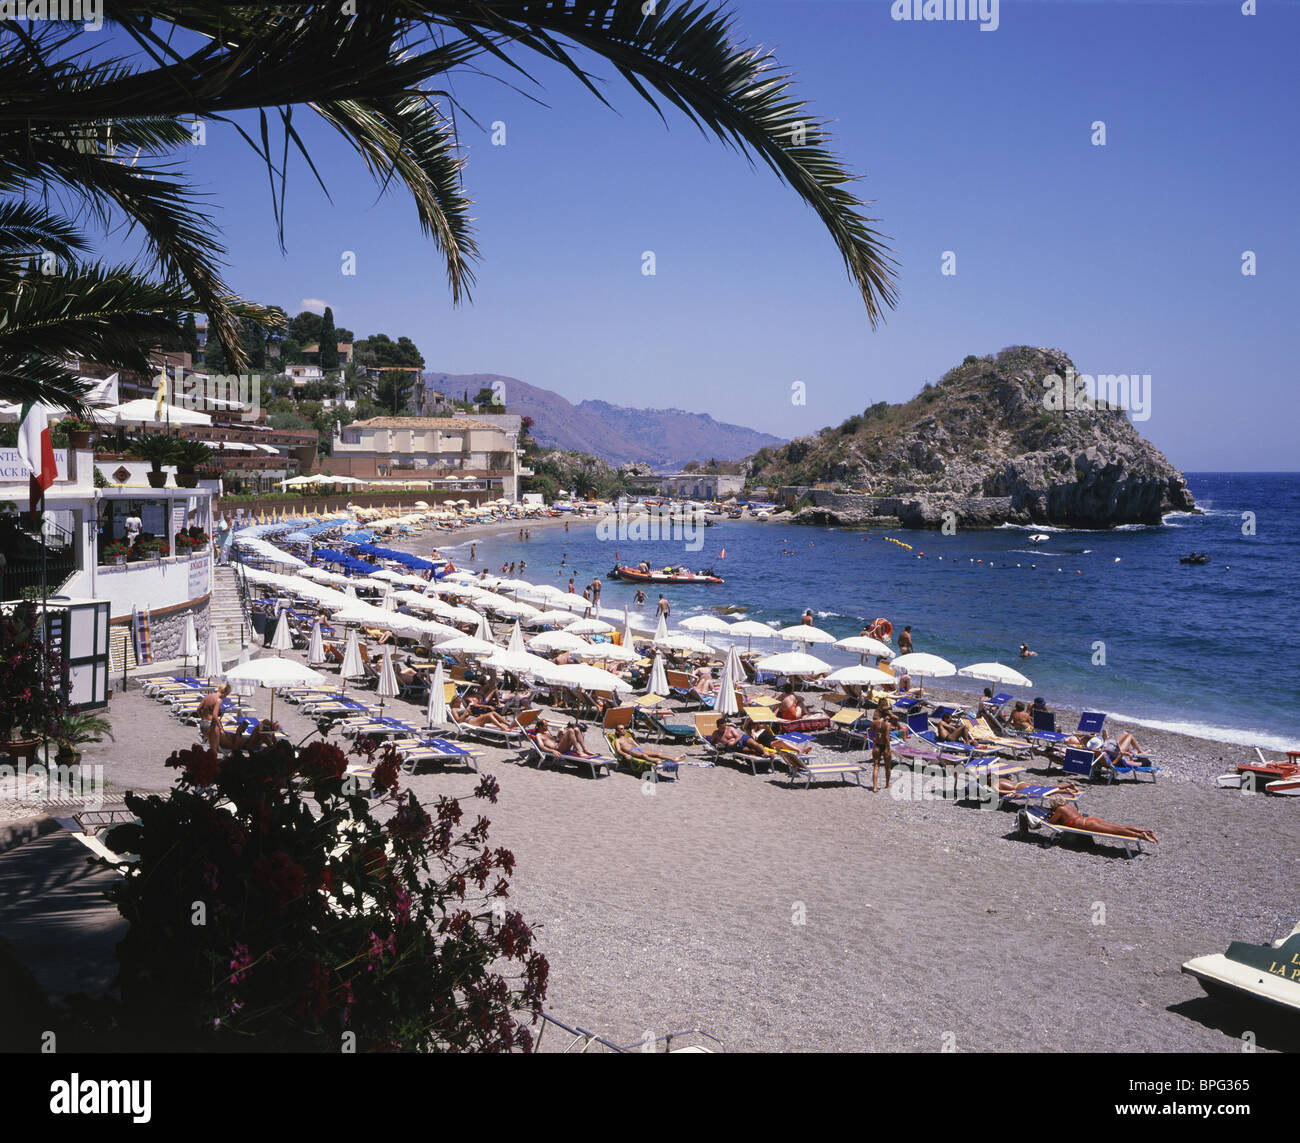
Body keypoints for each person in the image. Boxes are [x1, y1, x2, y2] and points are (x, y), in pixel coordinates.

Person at [1046, 797, 1159, 843]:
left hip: (1087, 825)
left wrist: (1051, 814)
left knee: (1116, 831)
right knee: (1119, 827)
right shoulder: (1069, 805)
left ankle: (1141, 836)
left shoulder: (1059, 809)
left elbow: (1052, 821)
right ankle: (1147, 831)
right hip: (1090, 820)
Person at [611, 725, 683, 766]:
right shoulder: (618, 740)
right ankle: (656, 761)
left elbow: (638, 746)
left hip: (639, 749)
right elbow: (618, 750)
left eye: (624, 728)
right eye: (621, 729)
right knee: (644, 756)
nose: (623, 730)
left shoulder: (629, 738)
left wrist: (643, 750)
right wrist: (625, 754)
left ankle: (674, 759)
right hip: (631, 751)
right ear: (617, 731)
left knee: (658, 753)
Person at [197, 684, 230, 751]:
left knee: (210, 745)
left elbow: (198, 709)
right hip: (211, 725)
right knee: (214, 749)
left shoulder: (208, 696)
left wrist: (202, 717)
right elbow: (215, 715)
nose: (226, 696)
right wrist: (221, 728)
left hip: (203, 724)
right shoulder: (218, 700)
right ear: (224, 692)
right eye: (227, 694)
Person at [870, 700, 893, 793]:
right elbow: (887, 737)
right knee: (887, 767)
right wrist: (888, 747)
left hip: (877, 746)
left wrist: (874, 741)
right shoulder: (887, 724)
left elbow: (870, 734)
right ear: (886, 715)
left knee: (876, 766)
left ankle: (875, 787)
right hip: (884, 746)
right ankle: (887, 784)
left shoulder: (874, 722)